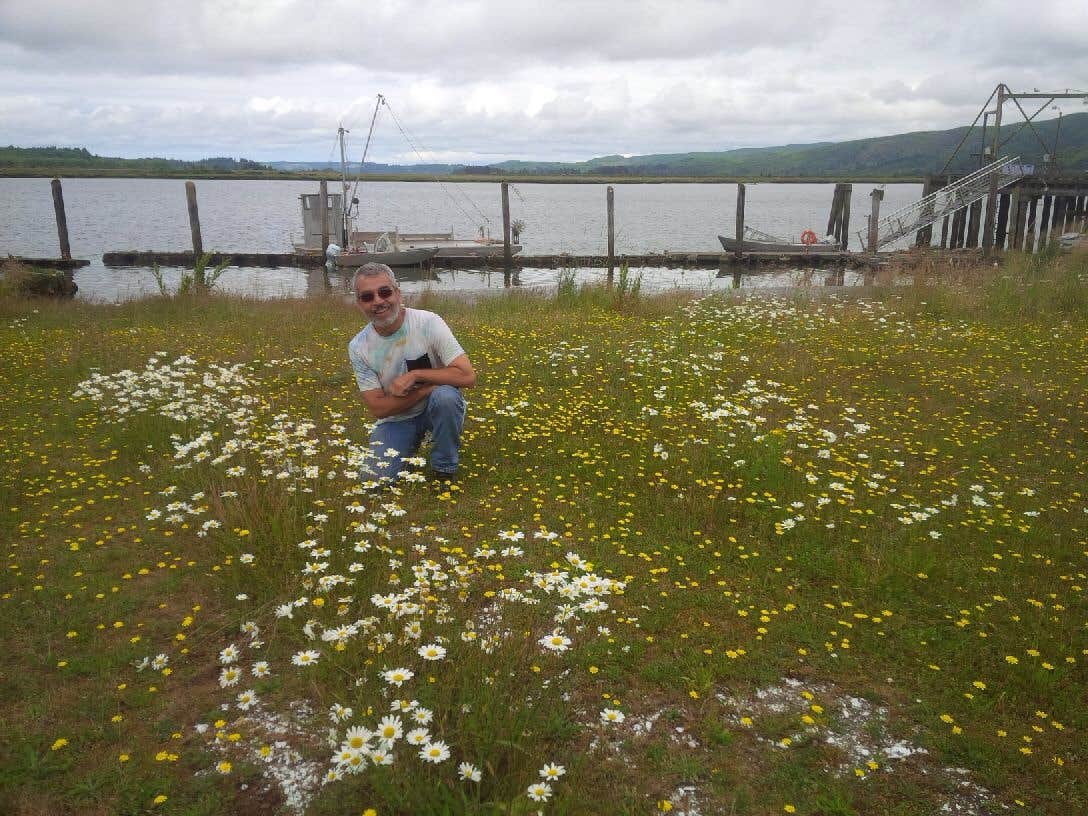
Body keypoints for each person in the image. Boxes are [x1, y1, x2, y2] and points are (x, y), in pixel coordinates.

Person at [347, 263, 476, 484]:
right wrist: (427, 388)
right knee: (374, 481)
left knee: (446, 397)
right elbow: (378, 408)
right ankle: (408, 445)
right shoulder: (358, 347)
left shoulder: (428, 322)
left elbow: (467, 376)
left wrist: (416, 376)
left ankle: (444, 469)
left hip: (436, 407)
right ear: (359, 304)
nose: (378, 301)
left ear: (398, 293)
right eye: (368, 297)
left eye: (385, 292)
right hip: (396, 420)